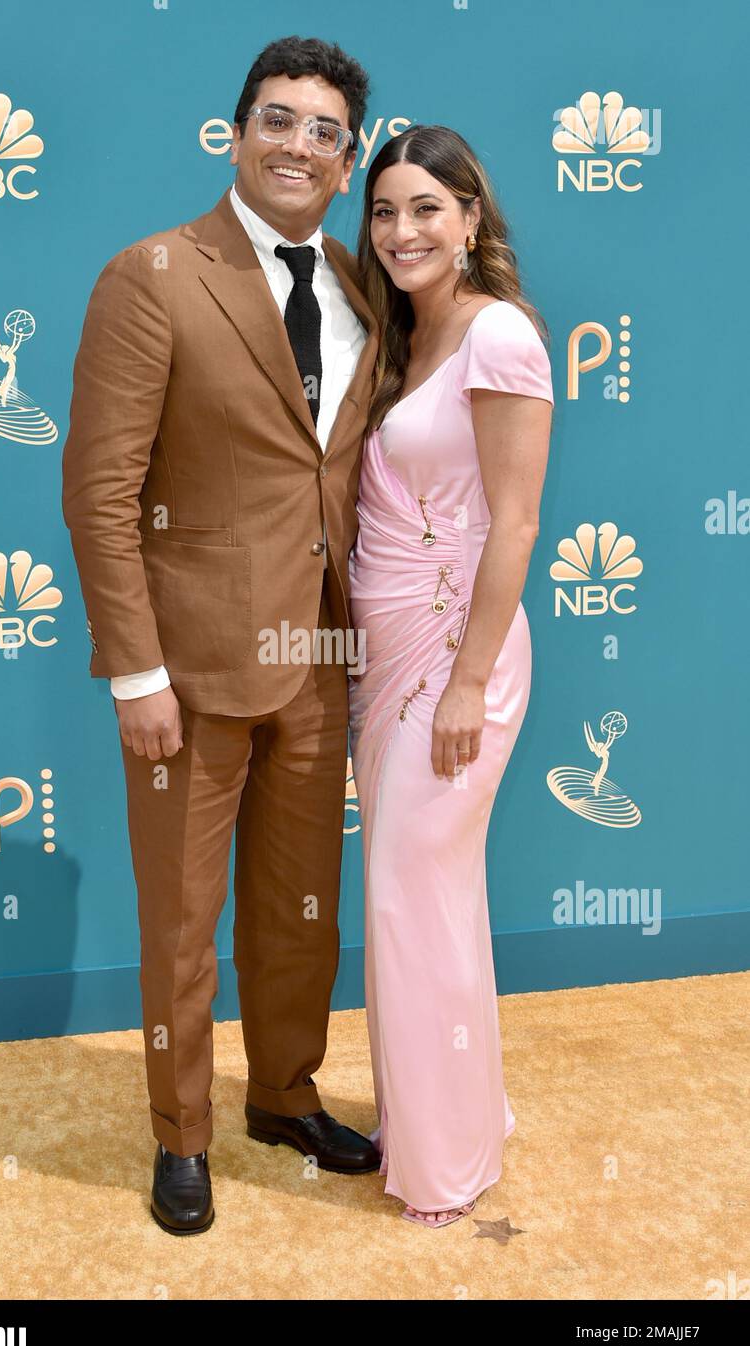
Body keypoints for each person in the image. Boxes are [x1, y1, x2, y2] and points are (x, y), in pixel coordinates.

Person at [61, 36, 382, 1236]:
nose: (298, 143)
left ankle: (284, 1094)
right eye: (277, 119)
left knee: (303, 904)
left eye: (323, 131)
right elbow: (101, 490)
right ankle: (180, 1133)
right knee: (183, 921)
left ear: (346, 162)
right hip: (187, 670)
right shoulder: (152, 273)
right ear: (235, 131)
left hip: (319, 661)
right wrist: (134, 669)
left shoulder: (358, 284)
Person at [348, 125, 554, 1227]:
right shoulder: (401, 336)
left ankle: (446, 1160)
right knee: (415, 899)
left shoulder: (500, 335)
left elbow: (514, 522)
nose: (401, 231)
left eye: (426, 207)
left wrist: (470, 681)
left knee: (409, 886)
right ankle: (440, 1117)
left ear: (472, 218)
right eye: (383, 211)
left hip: (458, 656)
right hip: (379, 661)